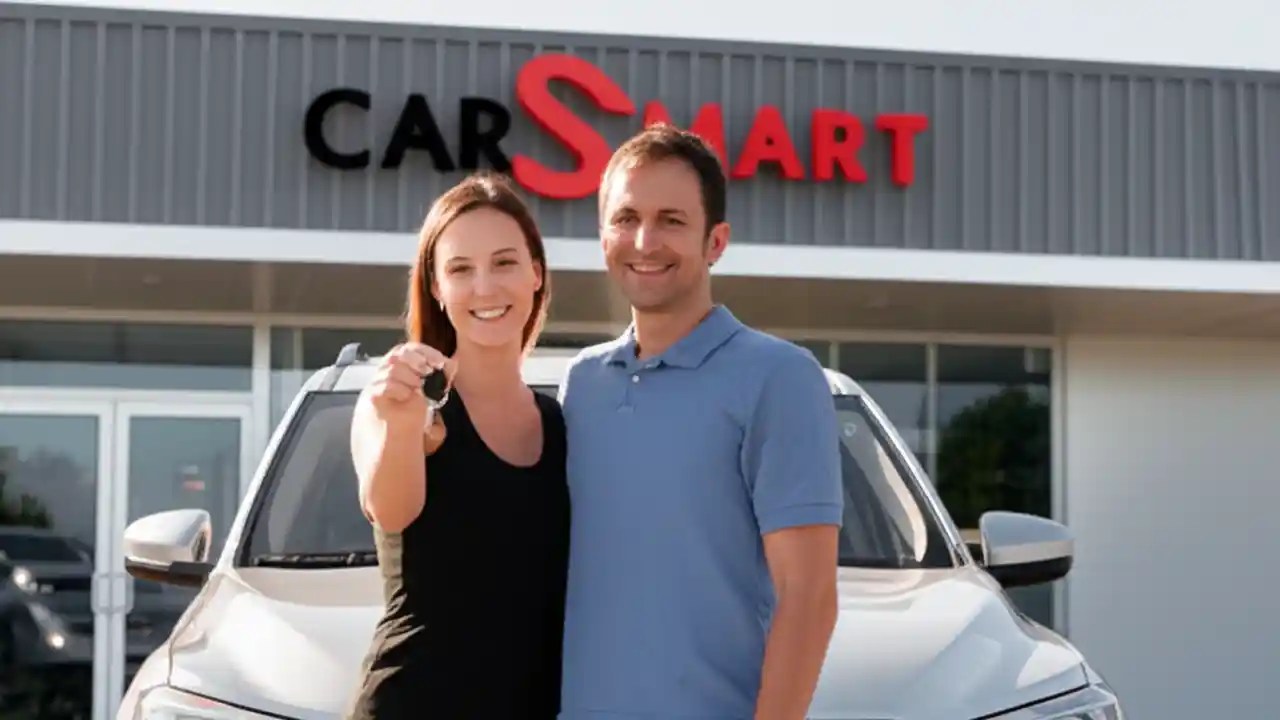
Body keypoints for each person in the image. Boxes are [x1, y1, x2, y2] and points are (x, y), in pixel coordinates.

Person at [556, 124, 844, 720]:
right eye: (626, 217)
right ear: (602, 234)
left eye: (672, 220)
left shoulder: (779, 377)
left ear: (716, 241)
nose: (645, 239)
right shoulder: (581, 384)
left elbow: (809, 597)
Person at [345, 172, 569, 719]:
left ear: (536, 274)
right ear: (438, 288)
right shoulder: (398, 399)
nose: (485, 287)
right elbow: (390, 510)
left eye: (504, 263)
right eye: (461, 270)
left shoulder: (563, 424)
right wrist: (400, 425)